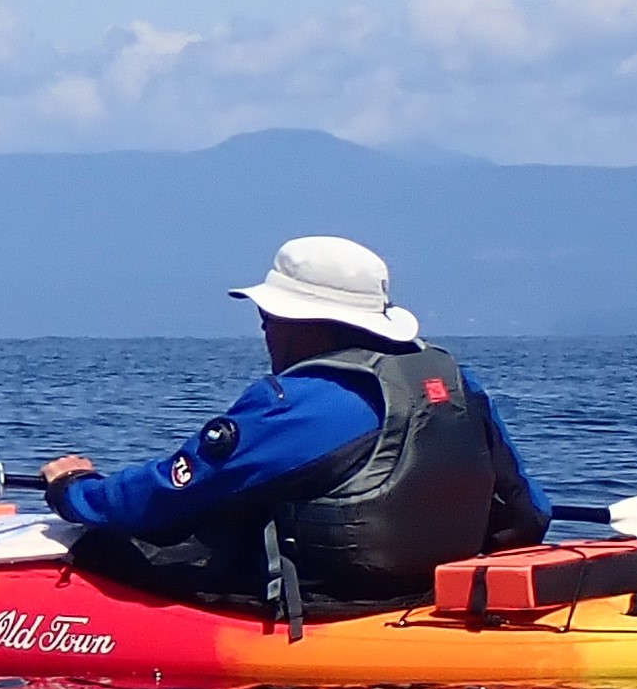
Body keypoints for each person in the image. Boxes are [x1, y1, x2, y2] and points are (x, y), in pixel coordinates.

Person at [35, 235, 546, 614]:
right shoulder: (452, 379)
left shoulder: (296, 406)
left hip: (337, 605)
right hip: (430, 589)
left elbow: (162, 497)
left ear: (309, 321)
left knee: (99, 545)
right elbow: (529, 513)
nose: (264, 326)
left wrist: (75, 490)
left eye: (271, 316)